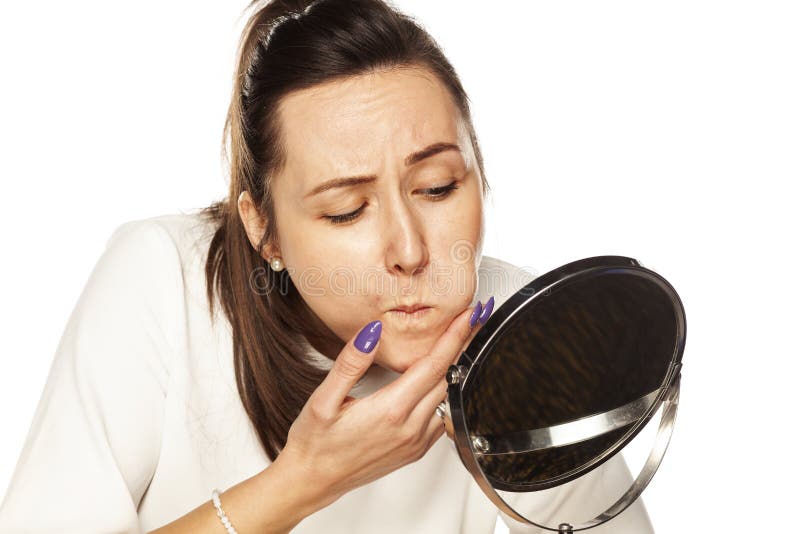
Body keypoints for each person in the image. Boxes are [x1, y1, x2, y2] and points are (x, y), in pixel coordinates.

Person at [0, 1, 655, 532]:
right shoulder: (162, 281)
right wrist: (303, 481)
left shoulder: (513, 318)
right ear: (264, 230)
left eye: (437, 187)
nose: (409, 252)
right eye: (346, 211)